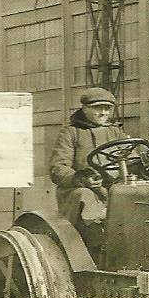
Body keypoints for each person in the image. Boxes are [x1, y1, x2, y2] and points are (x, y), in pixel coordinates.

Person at [49, 87, 125, 248]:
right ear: (84, 108)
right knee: (85, 196)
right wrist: (83, 178)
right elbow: (58, 168)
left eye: (107, 108)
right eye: (98, 108)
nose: (103, 113)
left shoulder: (116, 133)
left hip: (111, 191)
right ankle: (96, 248)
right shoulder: (71, 133)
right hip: (79, 191)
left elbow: (129, 159)